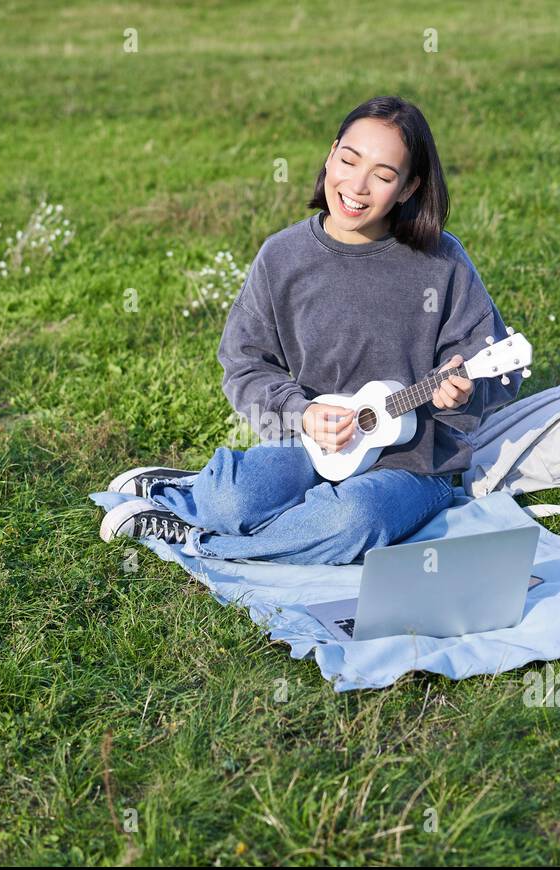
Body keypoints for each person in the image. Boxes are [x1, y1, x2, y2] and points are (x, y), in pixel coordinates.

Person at [100, 95, 522, 565]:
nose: (357, 186)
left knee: (354, 521)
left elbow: (498, 370)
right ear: (330, 153)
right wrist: (298, 413)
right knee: (230, 500)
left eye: (383, 176)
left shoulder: (441, 261)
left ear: (407, 188)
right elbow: (244, 363)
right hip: (308, 445)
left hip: (412, 466)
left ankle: (198, 540)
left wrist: (465, 393)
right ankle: (184, 493)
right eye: (348, 160)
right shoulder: (283, 257)